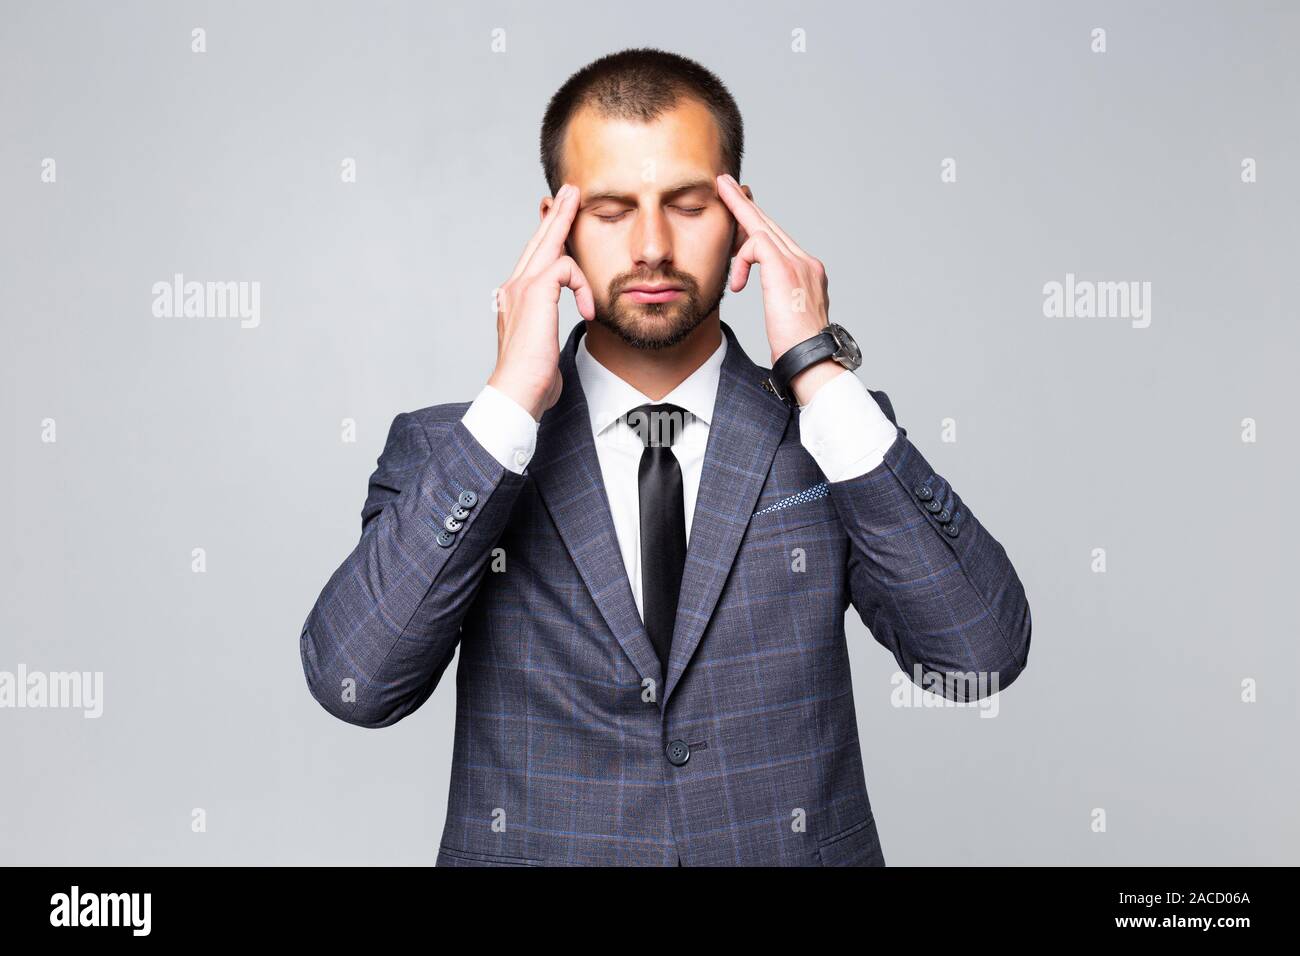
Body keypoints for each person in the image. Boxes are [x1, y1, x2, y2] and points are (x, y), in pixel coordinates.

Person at [300, 47, 1031, 866]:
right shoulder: (454, 450)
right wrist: (509, 401)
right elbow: (353, 683)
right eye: (611, 211)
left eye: (687, 204)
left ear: (743, 216)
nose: (651, 246)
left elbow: (980, 655)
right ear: (557, 229)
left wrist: (819, 372)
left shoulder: (836, 439)